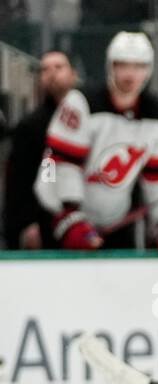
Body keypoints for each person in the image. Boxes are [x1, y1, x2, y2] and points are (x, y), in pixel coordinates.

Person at [34, 31, 158, 266]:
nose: (130, 74)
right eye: (123, 65)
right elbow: (61, 164)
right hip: (57, 216)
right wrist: (69, 215)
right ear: (111, 66)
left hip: (113, 222)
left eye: (138, 66)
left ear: (148, 70)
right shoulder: (81, 103)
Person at [3, 50, 78, 249]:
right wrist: (26, 223)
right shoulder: (31, 126)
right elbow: (19, 182)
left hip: (85, 220)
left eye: (58, 67)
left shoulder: (91, 118)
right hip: (46, 222)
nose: (52, 73)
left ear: (73, 74)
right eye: (45, 69)